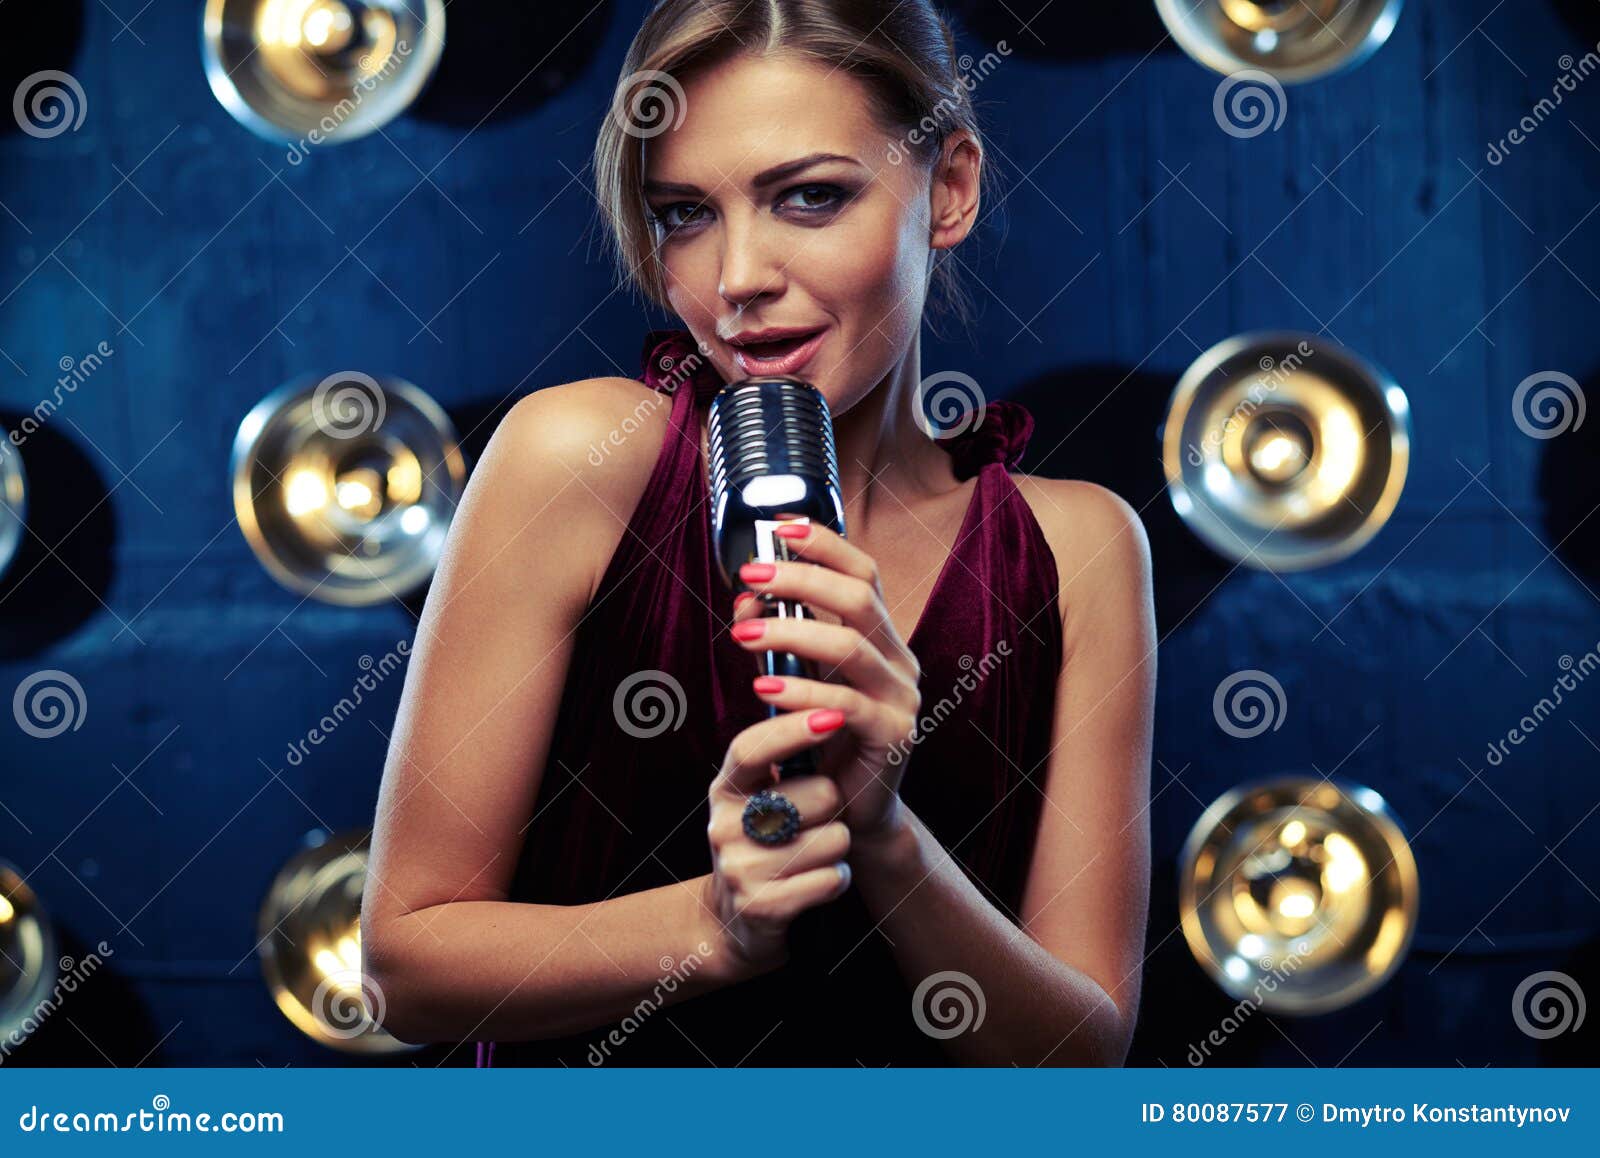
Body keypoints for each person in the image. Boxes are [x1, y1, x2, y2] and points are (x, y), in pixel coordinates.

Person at [361, 0, 1155, 1066]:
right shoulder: (578, 461)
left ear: (949, 187)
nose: (738, 279)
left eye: (810, 197)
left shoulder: (1079, 550)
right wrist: (714, 926)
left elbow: (1081, 1058)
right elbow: (405, 968)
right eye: (685, 213)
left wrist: (882, 836)